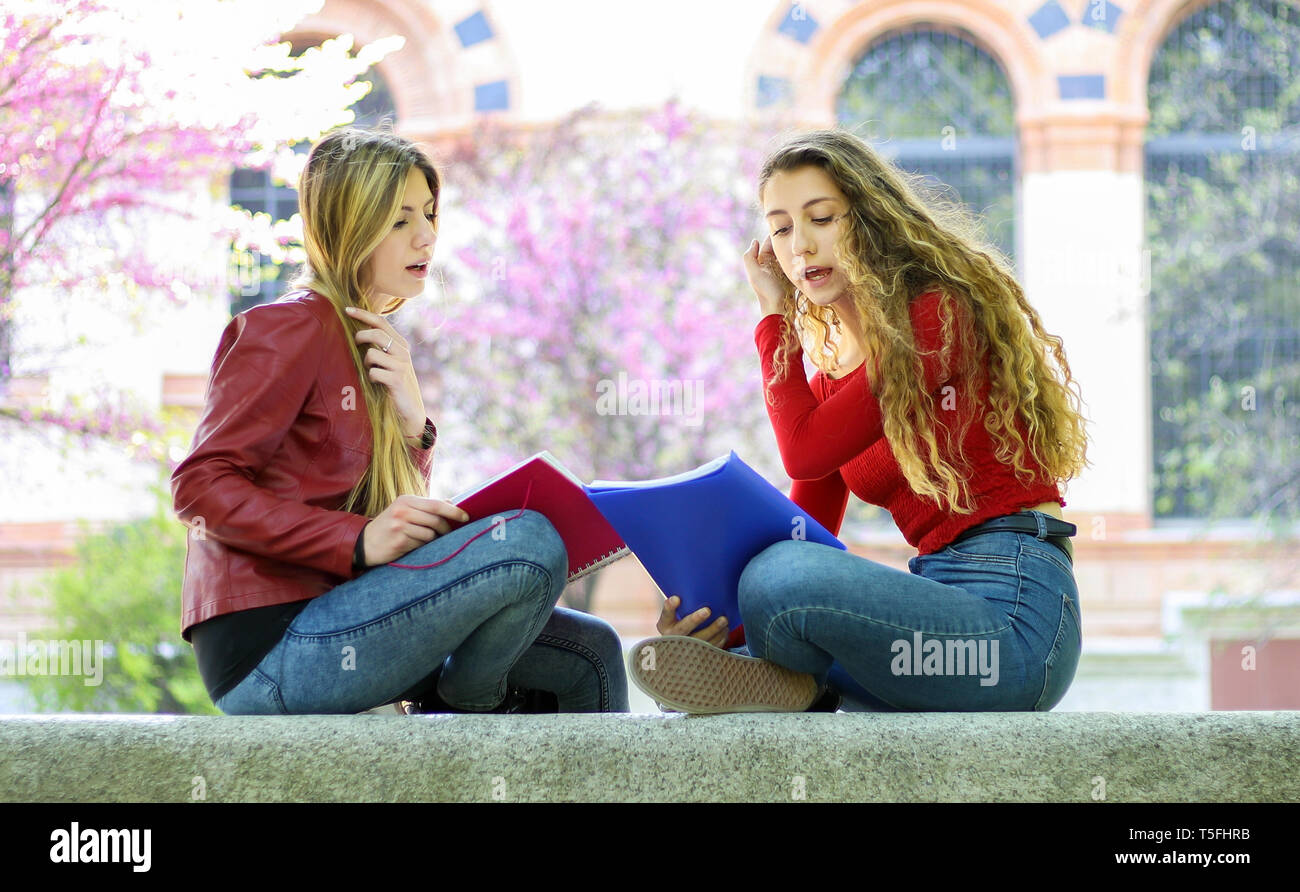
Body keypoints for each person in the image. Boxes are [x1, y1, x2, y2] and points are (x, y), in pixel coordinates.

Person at [628, 128, 1089, 714]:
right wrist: (713, 622)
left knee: (779, 578)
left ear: (869, 219)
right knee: (756, 598)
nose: (800, 246)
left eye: (821, 217)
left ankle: (799, 678)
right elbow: (800, 530)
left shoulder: (939, 314)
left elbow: (804, 452)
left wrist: (773, 316)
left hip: (1013, 623)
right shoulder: (834, 385)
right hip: (926, 624)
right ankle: (791, 680)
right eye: (781, 227)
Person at [172, 126, 628, 715]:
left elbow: (390, 521)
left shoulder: (373, 346)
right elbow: (201, 487)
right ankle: (469, 696)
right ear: (351, 224)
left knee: (592, 650)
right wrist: (355, 540)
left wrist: (415, 428)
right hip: (272, 647)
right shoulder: (285, 328)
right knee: (527, 543)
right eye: (400, 219)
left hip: (354, 619)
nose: (427, 236)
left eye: (431, 215)